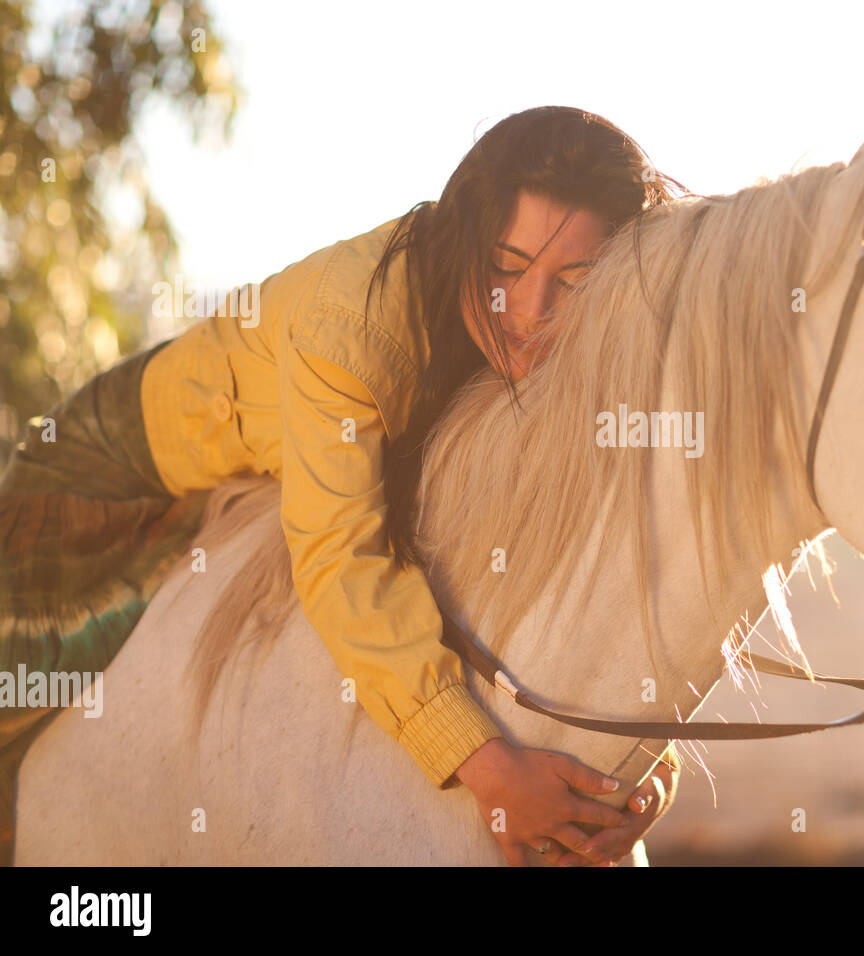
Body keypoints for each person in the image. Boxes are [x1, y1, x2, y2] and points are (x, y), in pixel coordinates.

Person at [0, 106, 685, 867]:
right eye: (507, 266)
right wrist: (489, 769)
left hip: (249, 503)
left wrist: (638, 768)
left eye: (576, 277)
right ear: (464, 237)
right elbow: (339, 560)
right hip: (117, 481)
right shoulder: (352, 322)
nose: (530, 312)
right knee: (24, 693)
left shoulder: (580, 348)